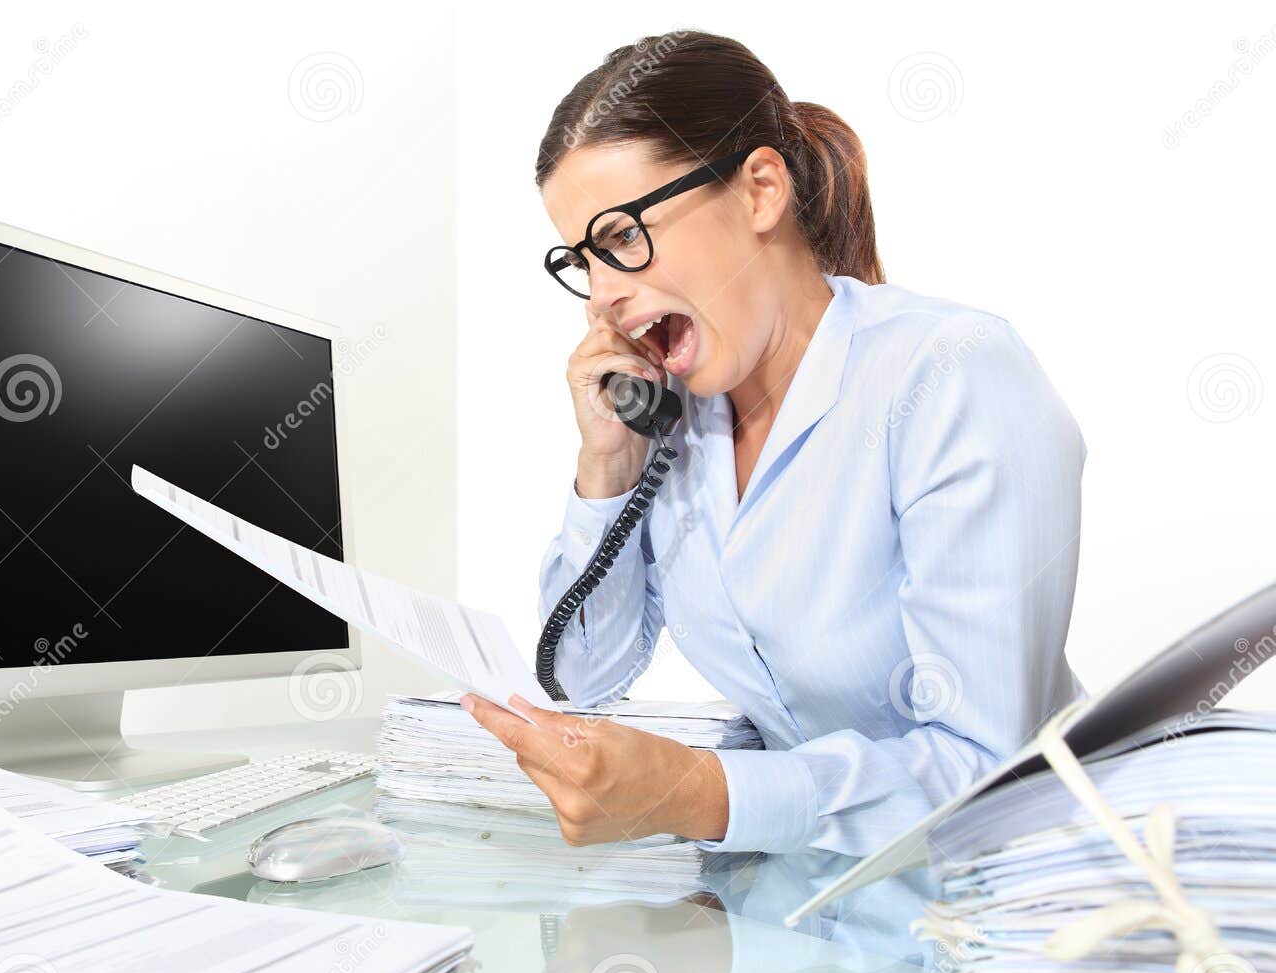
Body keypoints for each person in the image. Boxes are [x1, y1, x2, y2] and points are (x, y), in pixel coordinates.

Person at [462, 30, 1084, 857]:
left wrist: (700, 793)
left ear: (759, 190)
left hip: (1010, 904)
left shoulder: (951, 375)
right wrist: (608, 463)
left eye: (621, 238)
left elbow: (984, 768)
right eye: (583, 261)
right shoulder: (676, 422)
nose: (602, 298)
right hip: (810, 915)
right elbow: (584, 679)